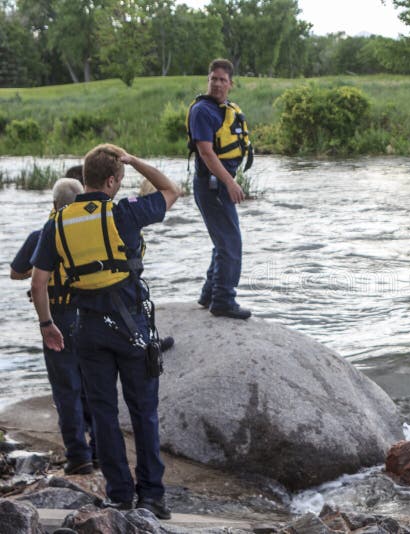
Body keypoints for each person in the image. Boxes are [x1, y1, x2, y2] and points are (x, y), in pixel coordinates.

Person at [30, 144, 180, 520]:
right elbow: (171, 190)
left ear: (86, 177)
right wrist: (135, 159)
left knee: (103, 412)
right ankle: (152, 497)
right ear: (112, 180)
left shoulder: (58, 222)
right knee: (143, 411)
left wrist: (47, 325)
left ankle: (119, 496)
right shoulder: (123, 213)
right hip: (131, 328)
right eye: (121, 177)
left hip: (87, 330)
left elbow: (38, 282)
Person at [10, 177, 96, 475]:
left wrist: (39, 274)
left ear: (53, 204)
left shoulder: (41, 234)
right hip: (89, 315)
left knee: (66, 389)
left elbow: (15, 272)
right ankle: (98, 450)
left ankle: (78, 456)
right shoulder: (90, 233)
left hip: (57, 316)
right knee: (92, 386)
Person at [187, 58, 254, 320]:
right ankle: (223, 300)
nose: (216, 84)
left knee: (223, 241)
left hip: (219, 185)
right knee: (230, 243)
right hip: (211, 186)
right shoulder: (202, 111)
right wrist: (230, 182)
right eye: (212, 79)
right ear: (208, 81)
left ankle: (209, 294)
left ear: (230, 84)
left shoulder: (228, 109)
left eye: (222, 80)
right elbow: (206, 152)